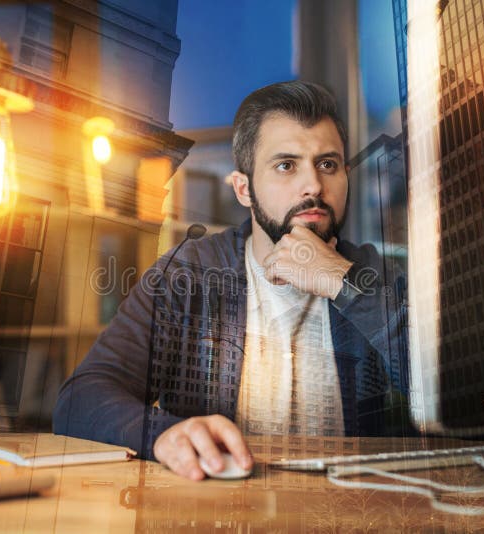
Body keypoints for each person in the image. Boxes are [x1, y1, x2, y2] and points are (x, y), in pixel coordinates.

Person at [53, 81, 405, 480]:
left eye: (328, 164)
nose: (314, 186)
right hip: (219, 516)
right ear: (244, 189)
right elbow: (78, 400)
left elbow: (462, 400)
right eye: (286, 165)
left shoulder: (379, 275)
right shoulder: (189, 275)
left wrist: (344, 283)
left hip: (355, 515)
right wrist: (163, 434)